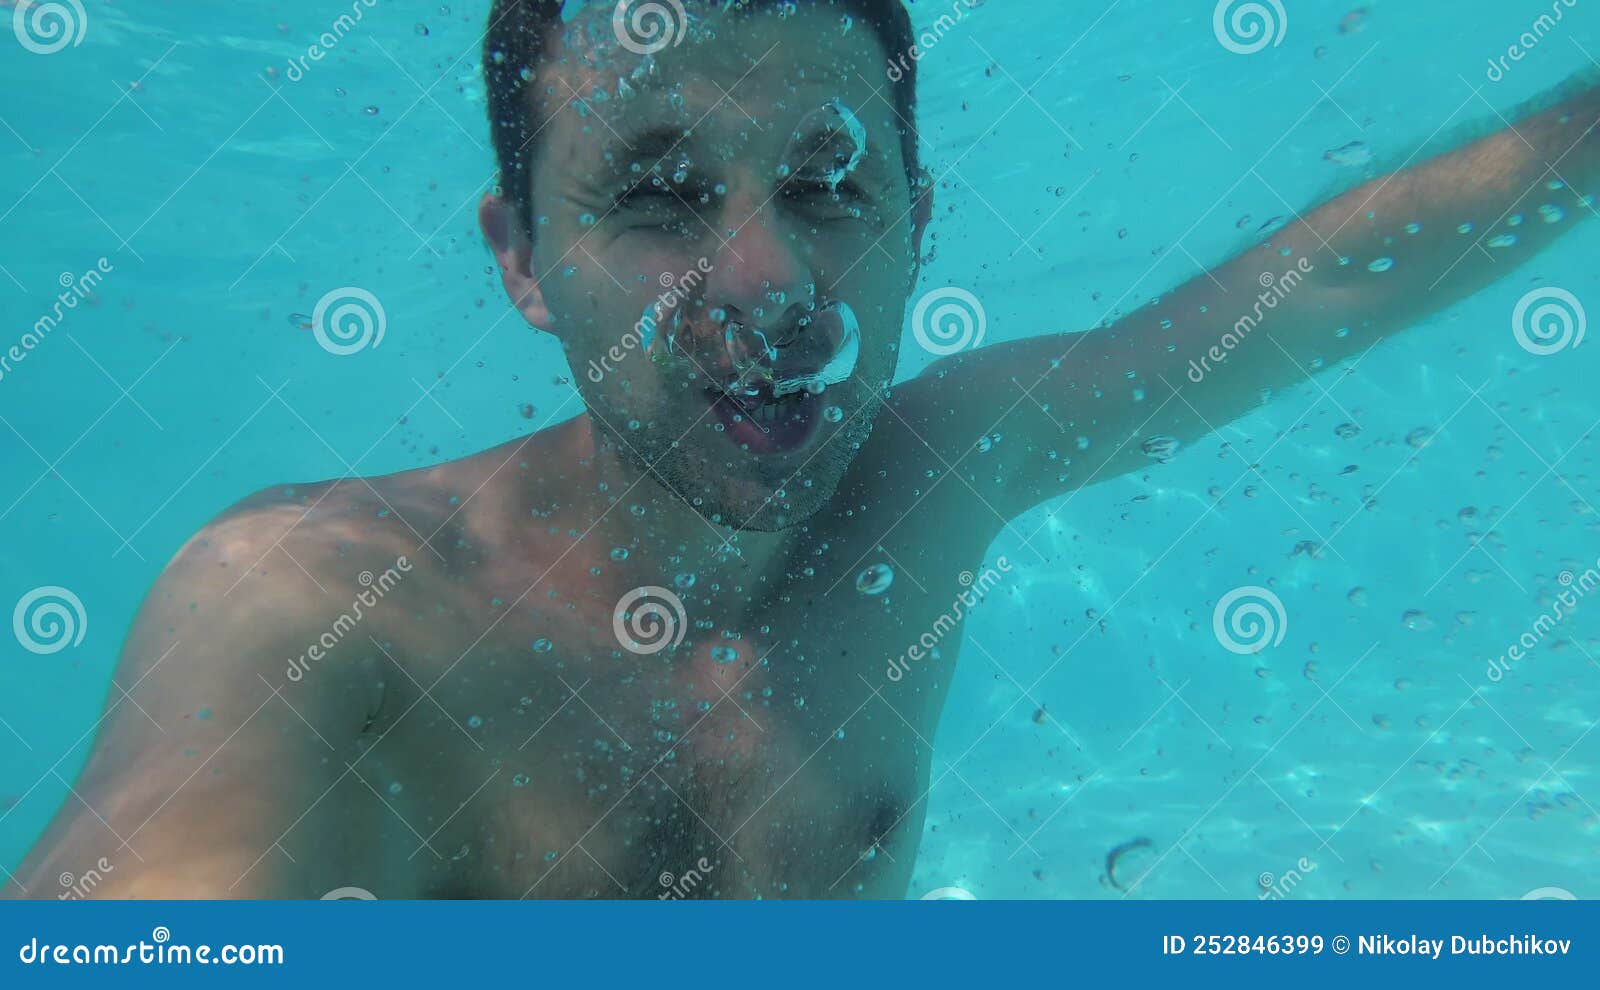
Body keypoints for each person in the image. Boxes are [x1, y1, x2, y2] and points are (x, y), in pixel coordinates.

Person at [10, 0, 1598, 899]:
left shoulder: (934, 474)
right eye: (656, 191)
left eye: (830, 186)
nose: (773, 292)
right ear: (517, 253)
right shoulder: (315, 608)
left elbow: (1313, 285)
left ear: (923, 225)